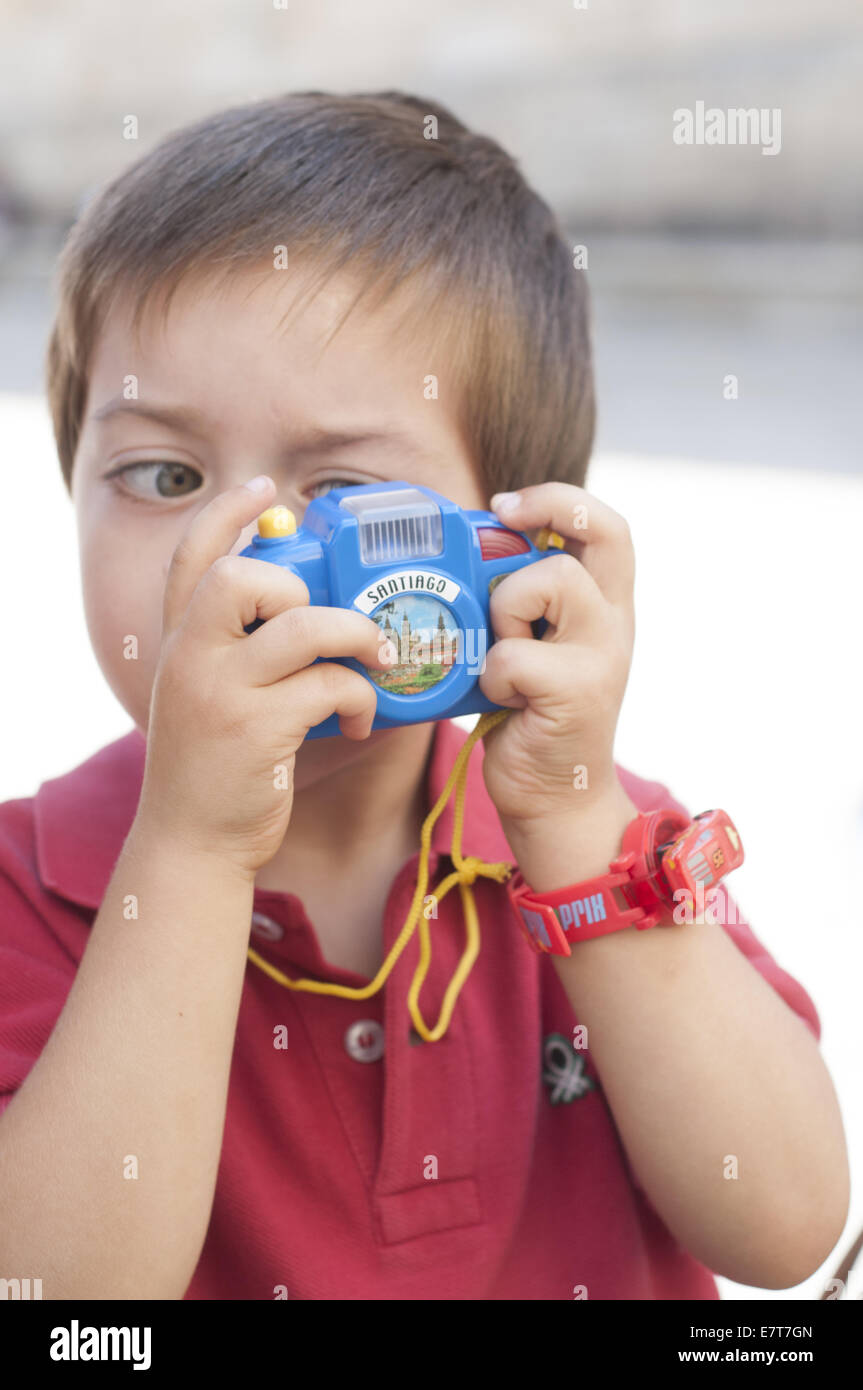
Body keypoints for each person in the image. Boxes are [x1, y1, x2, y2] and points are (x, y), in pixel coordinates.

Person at [0, 91, 849, 1299]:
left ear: (511, 544)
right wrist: (187, 853)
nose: (243, 562)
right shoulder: (28, 897)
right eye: (166, 474)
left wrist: (574, 827)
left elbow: (788, 1225)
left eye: (342, 498)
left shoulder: (602, 842)